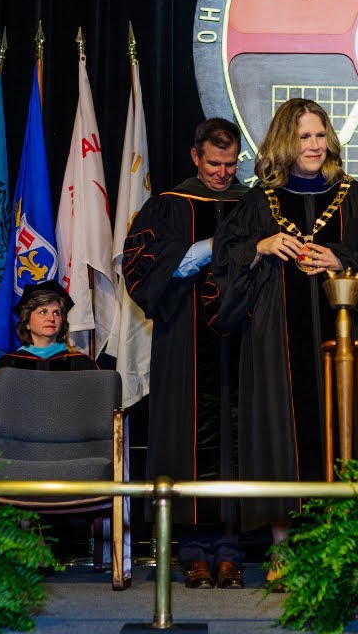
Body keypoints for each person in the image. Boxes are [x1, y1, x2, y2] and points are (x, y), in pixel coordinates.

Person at [211, 98, 358, 554]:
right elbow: (225, 260)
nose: (314, 145)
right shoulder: (259, 201)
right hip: (277, 339)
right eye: (303, 137)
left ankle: (344, 548)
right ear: (284, 141)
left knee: (345, 432)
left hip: (343, 342)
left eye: (320, 135)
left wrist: (341, 259)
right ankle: (282, 548)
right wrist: (260, 245)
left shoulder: (355, 198)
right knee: (282, 432)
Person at [123, 118, 249, 589]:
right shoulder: (168, 205)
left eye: (231, 165)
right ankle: (193, 553)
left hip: (241, 343)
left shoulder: (251, 203)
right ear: (195, 156)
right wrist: (210, 249)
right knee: (186, 442)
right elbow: (140, 270)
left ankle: (231, 552)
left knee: (237, 445)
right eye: (214, 164)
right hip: (184, 343)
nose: (222, 174)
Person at [0, 281, 98, 393]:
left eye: (56, 313)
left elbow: (100, 404)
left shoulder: (80, 363)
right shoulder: (9, 364)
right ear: (27, 323)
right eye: (43, 312)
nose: (51, 318)